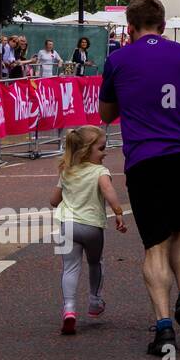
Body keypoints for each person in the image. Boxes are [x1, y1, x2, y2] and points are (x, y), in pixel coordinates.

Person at [98, 0, 180, 357]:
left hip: (144, 159)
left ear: (129, 28)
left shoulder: (117, 60)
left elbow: (106, 114)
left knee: (154, 245)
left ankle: (164, 326)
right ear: (164, 26)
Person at [49, 126, 127, 335]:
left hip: (68, 225)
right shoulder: (100, 172)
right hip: (92, 226)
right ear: (86, 151)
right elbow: (108, 191)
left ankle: (69, 309)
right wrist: (118, 212)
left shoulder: (67, 170)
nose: (105, 152)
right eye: (101, 149)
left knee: (69, 267)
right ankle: (94, 300)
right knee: (95, 262)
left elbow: (54, 201)